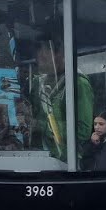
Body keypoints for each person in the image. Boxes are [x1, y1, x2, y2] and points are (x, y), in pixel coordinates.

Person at [32, 33, 93, 165]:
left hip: (65, 162)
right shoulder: (37, 84)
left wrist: (40, 125)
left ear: (60, 54)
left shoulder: (78, 83)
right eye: (38, 55)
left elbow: (83, 130)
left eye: (44, 56)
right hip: (38, 158)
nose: (39, 60)